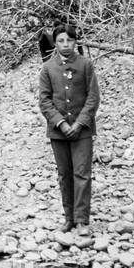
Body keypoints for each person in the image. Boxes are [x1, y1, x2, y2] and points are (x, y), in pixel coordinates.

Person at [38, 22, 100, 238]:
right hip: (58, 132)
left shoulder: (86, 65)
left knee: (82, 174)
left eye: (69, 40)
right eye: (61, 41)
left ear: (75, 42)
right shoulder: (47, 68)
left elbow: (93, 98)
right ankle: (69, 219)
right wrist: (62, 124)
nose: (65, 45)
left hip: (82, 131)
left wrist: (79, 123)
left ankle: (82, 220)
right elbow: (44, 101)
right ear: (55, 43)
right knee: (65, 175)